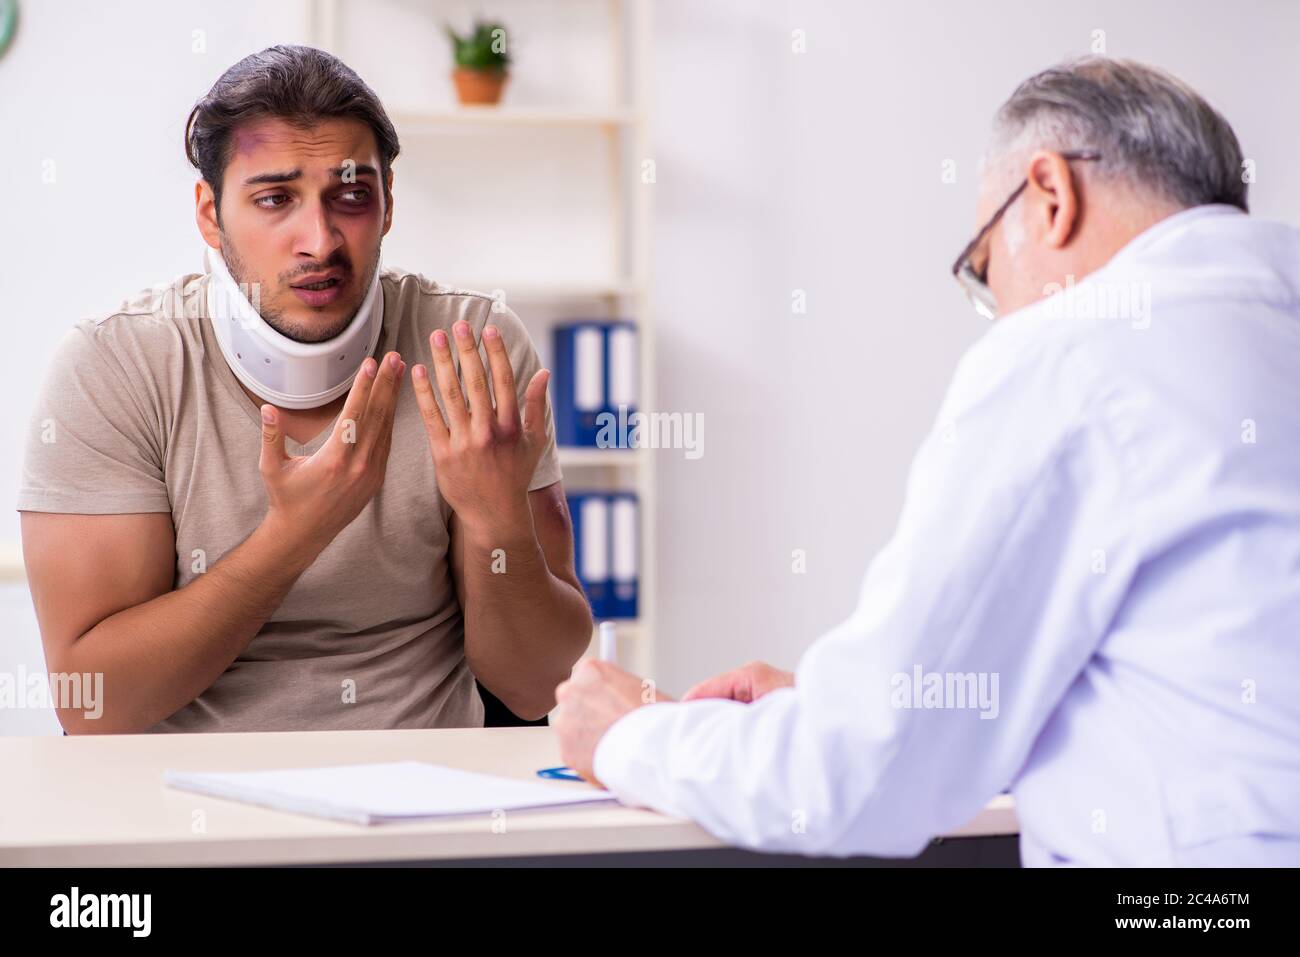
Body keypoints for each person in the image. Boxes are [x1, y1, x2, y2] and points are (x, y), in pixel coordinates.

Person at [553, 57, 1300, 866]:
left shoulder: (1075, 349)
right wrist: (865, 706)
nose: (998, 309)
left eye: (984, 268)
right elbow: (1198, 687)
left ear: (1051, 195)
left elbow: (856, 780)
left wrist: (633, 734)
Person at [18, 45, 592, 734]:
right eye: (274, 199)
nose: (318, 240)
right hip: (185, 814)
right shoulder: (116, 366)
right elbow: (93, 707)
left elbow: (539, 688)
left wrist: (498, 520)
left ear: (386, 208)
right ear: (210, 214)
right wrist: (296, 533)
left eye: (351, 197)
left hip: (430, 803)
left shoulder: (470, 348)